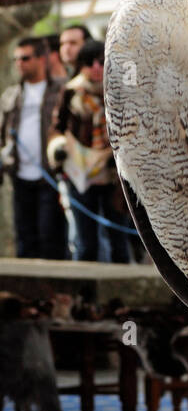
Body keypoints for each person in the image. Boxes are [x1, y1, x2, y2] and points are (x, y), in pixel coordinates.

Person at [48, 40, 129, 263]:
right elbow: (56, 129)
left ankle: (120, 294)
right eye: (89, 63)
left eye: (101, 62)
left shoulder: (122, 91)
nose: (95, 68)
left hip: (114, 176)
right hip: (80, 173)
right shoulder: (71, 92)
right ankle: (85, 294)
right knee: (86, 241)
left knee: (119, 240)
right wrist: (58, 150)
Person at [0, 37, 69, 258]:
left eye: (26, 58)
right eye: (17, 59)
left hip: (50, 175)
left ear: (41, 58)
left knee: (49, 237)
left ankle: (54, 291)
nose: (20, 63)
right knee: (25, 238)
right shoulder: (11, 95)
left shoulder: (60, 90)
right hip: (19, 176)